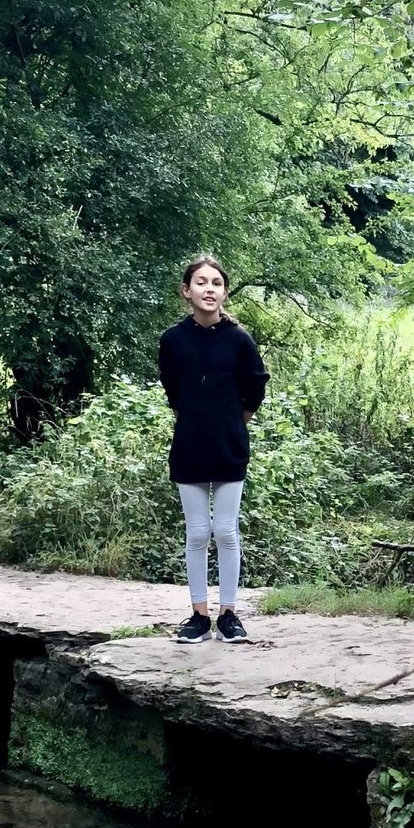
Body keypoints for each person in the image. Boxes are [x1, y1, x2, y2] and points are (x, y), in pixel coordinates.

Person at [158, 253, 268, 643]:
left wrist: (236, 422)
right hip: (189, 444)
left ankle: (229, 614)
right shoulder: (172, 340)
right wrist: (195, 417)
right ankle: (198, 615)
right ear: (186, 291)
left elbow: (256, 385)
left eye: (216, 283)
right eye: (201, 282)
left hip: (228, 445)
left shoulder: (239, 339)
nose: (210, 289)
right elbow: (172, 387)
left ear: (224, 292)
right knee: (197, 532)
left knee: (225, 530)